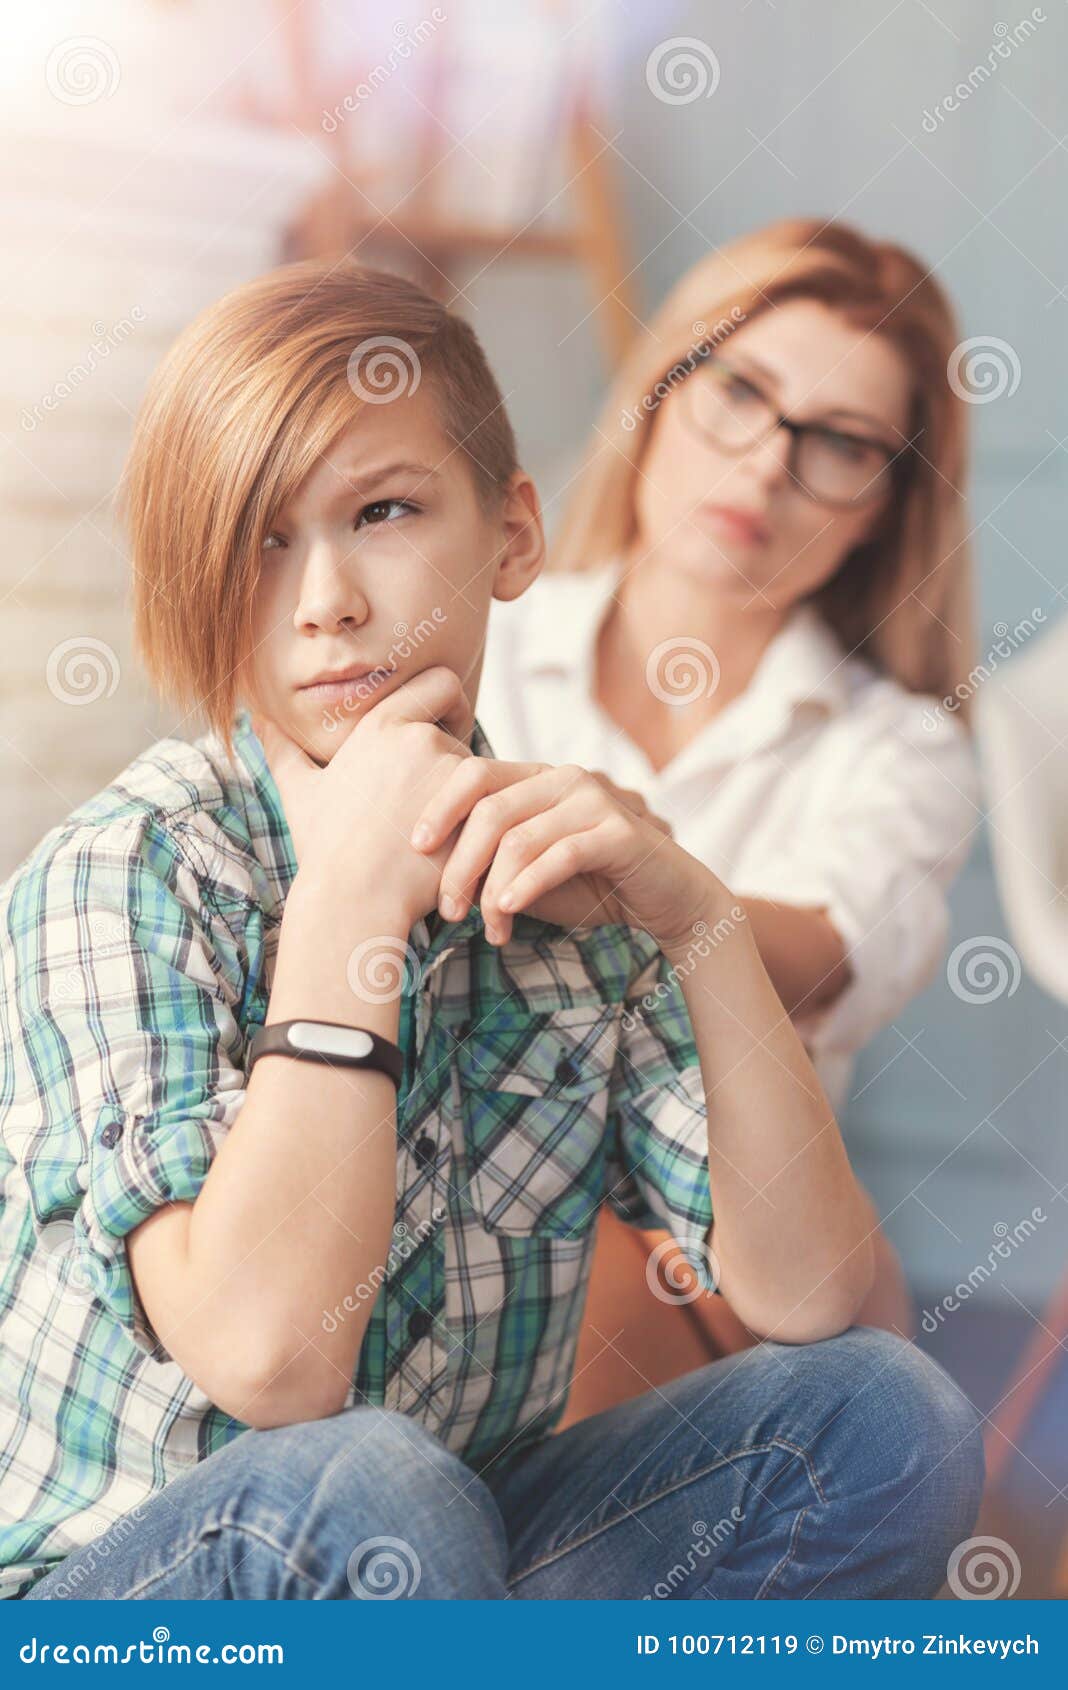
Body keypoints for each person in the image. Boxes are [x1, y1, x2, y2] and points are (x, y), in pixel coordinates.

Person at [1, 259, 983, 1601]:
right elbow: (276, 1361)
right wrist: (349, 893)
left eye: (385, 511)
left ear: (511, 533)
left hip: (442, 1555)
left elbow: (807, 1292)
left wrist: (693, 911)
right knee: (372, 1483)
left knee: (886, 1413)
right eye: (260, 538)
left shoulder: (562, 890)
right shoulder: (127, 869)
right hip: (146, 1583)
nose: (326, 600)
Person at [477, 218, 979, 1423]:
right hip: (434, 1164)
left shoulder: (901, 748)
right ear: (658, 394)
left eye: (842, 446)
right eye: (739, 394)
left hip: (706, 1217)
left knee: (860, 1357)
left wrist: (649, 878)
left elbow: (815, 962)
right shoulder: (472, 635)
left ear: (882, 508)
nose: (763, 468)